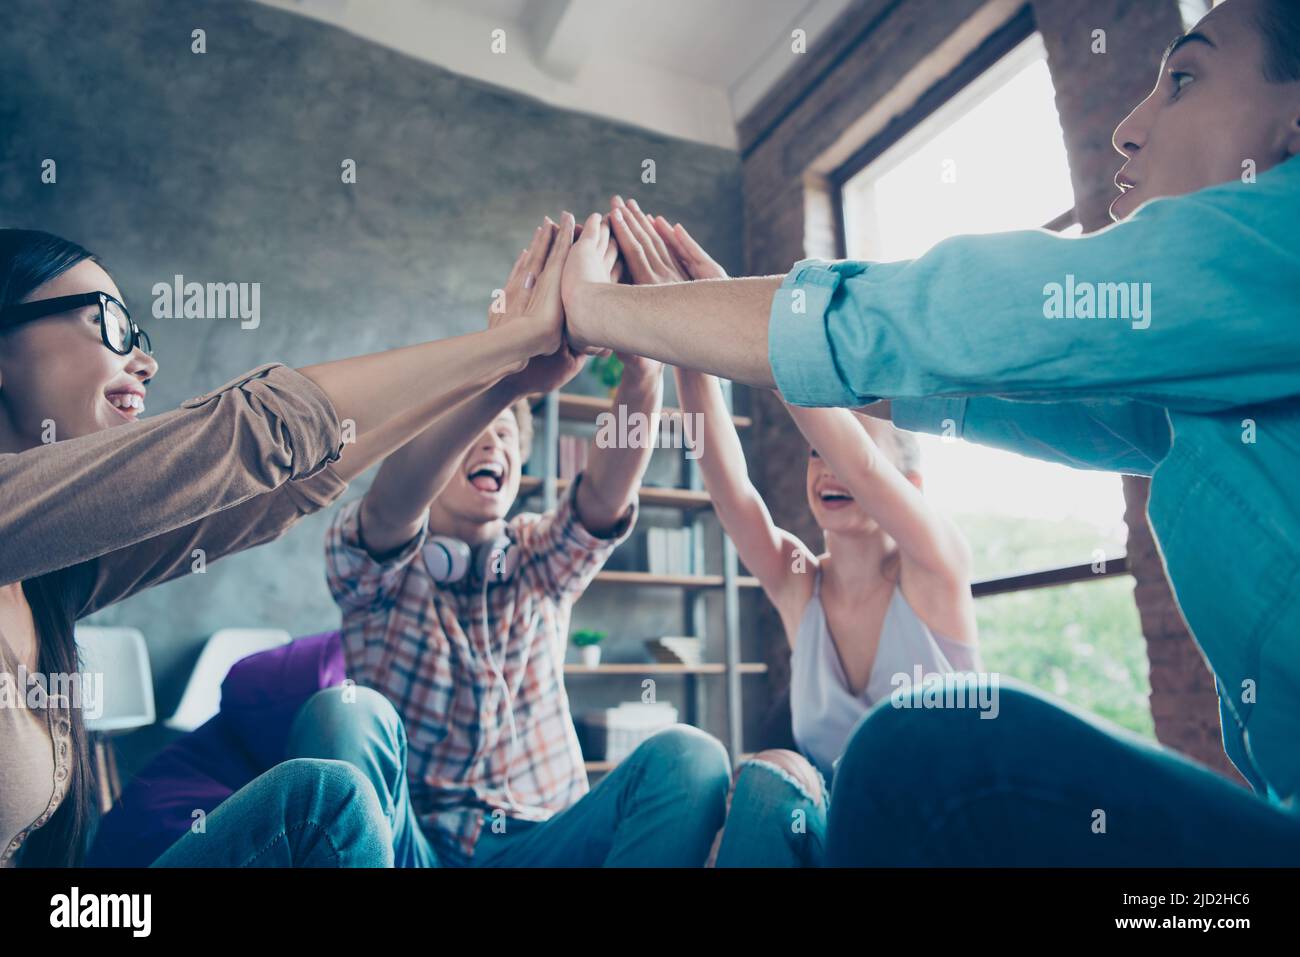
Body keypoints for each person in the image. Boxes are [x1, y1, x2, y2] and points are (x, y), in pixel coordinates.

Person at [557, 0, 1300, 864]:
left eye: (1183, 79)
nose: (1129, 129)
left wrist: (607, 309)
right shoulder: (1198, 377)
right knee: (773, 782)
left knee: (922, 751)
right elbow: (958, 378)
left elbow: (923, 327)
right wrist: (698, 337)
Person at [0, 214, 580, 867]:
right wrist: (503, 344)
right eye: (108, 321)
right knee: (324, 799)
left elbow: (289, 483)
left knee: (324, 796)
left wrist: (505, 378)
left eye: (139, 333)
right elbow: (250, 434)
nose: (145, 359)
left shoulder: (48, 578)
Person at [319, 212, 730, 867]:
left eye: (508, 435)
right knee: (342, 711)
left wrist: (642, 364)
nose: (493, 442)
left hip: (543, 841)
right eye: (477, 433)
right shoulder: (379, 575)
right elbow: (394, 500)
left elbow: (604, 492)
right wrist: (502, 372)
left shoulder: (540, 557)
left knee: (693, 757)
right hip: (413, 848)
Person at [604, 197, 978, 866]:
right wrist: (689, 335)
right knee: (766, 776)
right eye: (814, 452)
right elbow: (727, 481)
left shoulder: (935, 560)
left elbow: (857, 458)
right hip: (838, 842)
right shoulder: (798, 580)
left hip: (940, 842)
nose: (827, 467)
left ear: (908, 488)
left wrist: (743, 321)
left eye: (843, 452)